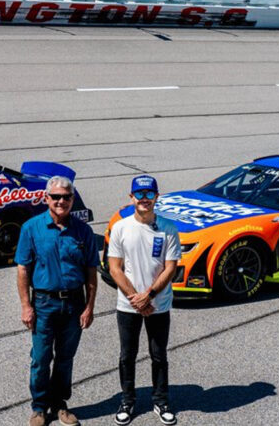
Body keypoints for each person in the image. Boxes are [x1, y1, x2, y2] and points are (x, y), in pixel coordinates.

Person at [16, 175, 99, 426]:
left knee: (65, 358)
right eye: (56, 197)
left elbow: (91, 272)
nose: (61, 201)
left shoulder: (83, 231)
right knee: (41, 359)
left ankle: (60, 404)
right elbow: (23, 269)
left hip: (74, 304)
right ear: (46, 198)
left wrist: (89, 307)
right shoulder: (31, 228)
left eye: (66, 197)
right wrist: (26, 306)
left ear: (72, 200)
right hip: (44, 304)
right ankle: (39, 407)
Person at [107, 175, 181, 426]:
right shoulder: (121, 227)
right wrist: (135, 299)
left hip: (158, 304)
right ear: (131, 197)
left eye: (150, 194)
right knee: (127, 355)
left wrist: (148, 296)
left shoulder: (169, 228)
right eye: (140, 194)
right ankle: (127, 401)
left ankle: (161, 401)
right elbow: (114, 268)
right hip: (128, 305)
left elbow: (170, 268)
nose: (145, 199)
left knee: (159, 355)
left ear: (157, 197)